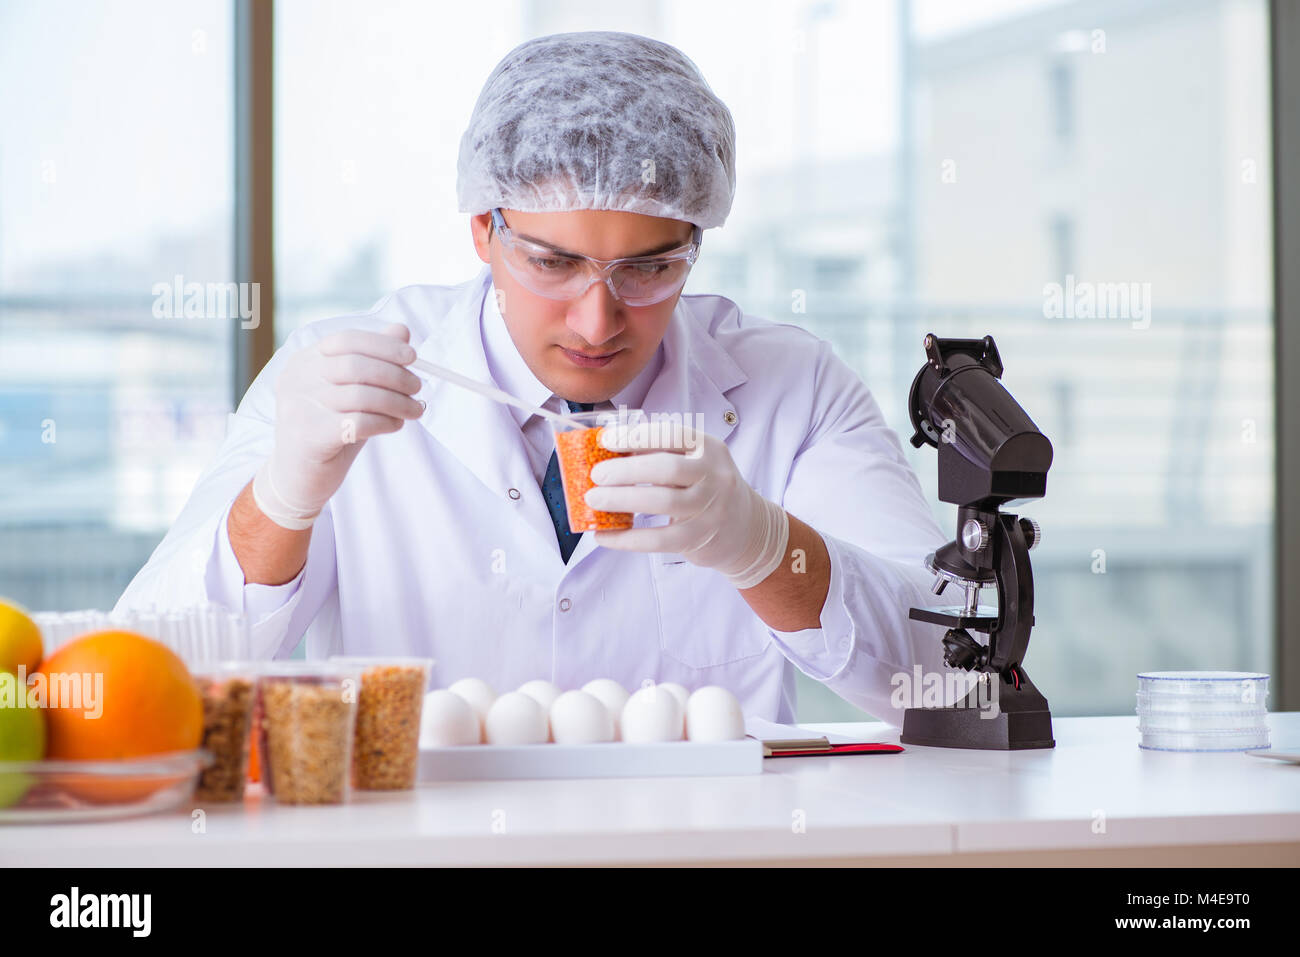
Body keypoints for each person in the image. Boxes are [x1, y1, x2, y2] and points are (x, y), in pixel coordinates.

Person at [116, 30, 952, 725]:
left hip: (698, 852)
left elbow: (951, 679)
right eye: (553, 262)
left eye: (650, 267)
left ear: (697, 242)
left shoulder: (792, 386)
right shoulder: (337, 375)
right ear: (483, 228)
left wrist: (764, 545)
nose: (598, 320)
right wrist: (282, 499)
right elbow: (148, 676)